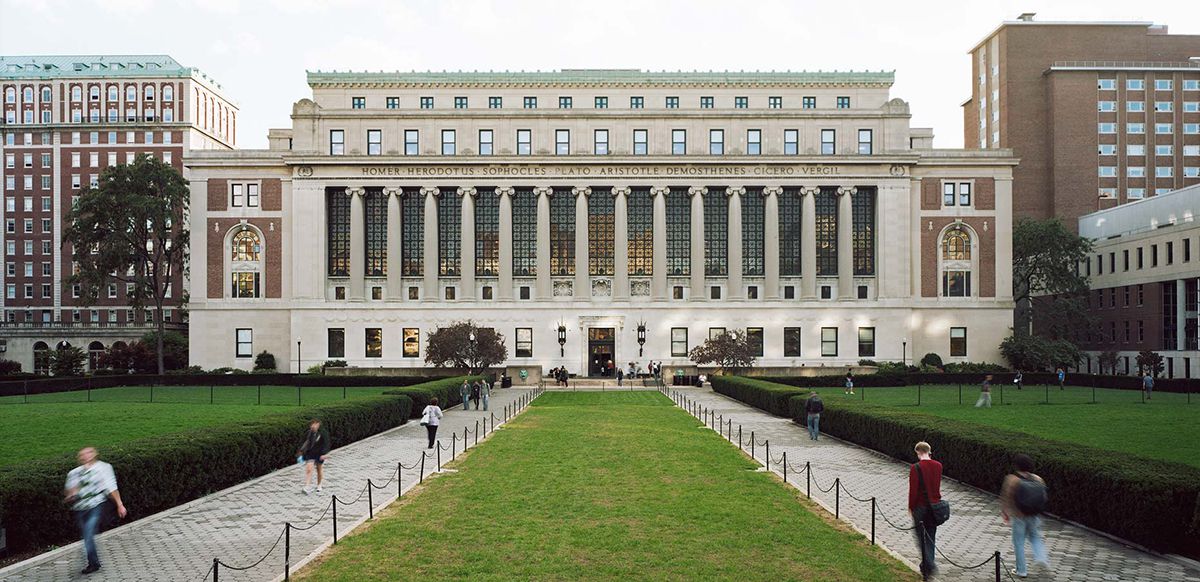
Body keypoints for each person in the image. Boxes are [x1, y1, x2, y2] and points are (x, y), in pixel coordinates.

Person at [64, 447, 127, 575]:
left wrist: (120, 504)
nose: (86, 456)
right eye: (83, 454)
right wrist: (71, 495)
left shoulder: (104, 467)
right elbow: (69, 491)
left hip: (96, 505)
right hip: (80, 508)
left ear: (95, 454)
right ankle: (94, 561)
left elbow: (111, 487)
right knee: (87, 536)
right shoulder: (74, 473)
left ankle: (92, 563)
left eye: (89, 452)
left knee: (88, 534)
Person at [1000, 454, 1050, 578]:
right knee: (1035, 537)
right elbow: (1044, 496)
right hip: (1034, 514)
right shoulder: (1038, 479)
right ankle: (1041, 558)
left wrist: (1005, 512)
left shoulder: (1012, 479)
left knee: (1019, 542)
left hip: (1019, 515)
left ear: (1016, 465)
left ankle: (1021, 570)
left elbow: (1006, 497)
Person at [908, 441, 943, 581]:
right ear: (929, 451)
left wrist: (910, 507)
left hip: (920, 507)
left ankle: (929, 565)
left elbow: (913, 491)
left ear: (917, 452)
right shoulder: (938, 466)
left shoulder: (915, 467)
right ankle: (927, 566)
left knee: (920, 536)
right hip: (935, 507)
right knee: (930, 536)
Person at [297, 419, 331, 494]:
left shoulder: (323, 433)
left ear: (318, 424)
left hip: (319, 453)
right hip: (310, 453)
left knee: (319, 469)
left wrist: (324, 454)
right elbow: (304, 443)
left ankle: (319, 485)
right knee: (309, 469)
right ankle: (307, 486)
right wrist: (300, 453)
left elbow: (326, 444)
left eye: (315, 424)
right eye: (312, 424)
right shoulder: (308, 433)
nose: (313, 426)